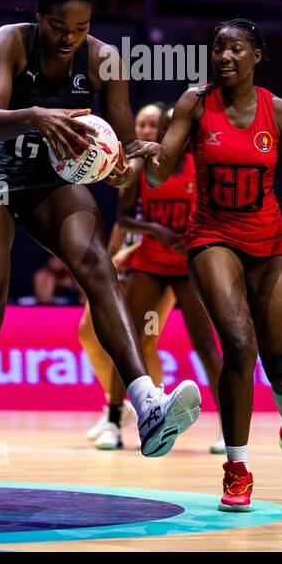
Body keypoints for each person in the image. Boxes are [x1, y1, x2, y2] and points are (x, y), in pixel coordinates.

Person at [0, 0, 202, 516]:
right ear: (40, 15)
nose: (69, 37)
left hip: (51, 179)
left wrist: (130, 162)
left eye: (80, 28)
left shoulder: (105, 59)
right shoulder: (8, 41)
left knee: (98, 268)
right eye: (60, 26)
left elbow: (126, 147)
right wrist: (37, 114)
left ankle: (146, 404)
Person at [150, 19, 282, 511]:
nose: (224, 57)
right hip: (212, 236)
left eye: (235, 49)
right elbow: (163, 166)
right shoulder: (193, 102)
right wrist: (145, 155)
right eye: (218, 49)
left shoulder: (279, 110)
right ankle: (237, 467)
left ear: (256, 56)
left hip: (270, 240)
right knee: (240, 347)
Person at [96, 102, 227, 452]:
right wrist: (155, 230)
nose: (177, 136)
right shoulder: (144, 168)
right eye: (171, 130)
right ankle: (112, 420)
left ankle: (228, 426)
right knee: (130, 340)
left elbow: (217, 214)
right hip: (150, 263)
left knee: (205, 344)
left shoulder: (201, 169)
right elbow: (124, 218)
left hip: (188, 266)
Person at [77, 101, 173, 446]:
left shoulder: (167, 169)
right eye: (141, 124)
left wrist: (138, 250)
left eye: (151, 125)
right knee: (88, 332)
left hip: (159, 267)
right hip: (125, 266)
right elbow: (122, 223)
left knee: (146, 340)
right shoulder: (129, 168)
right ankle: (117, 403)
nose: (145, 131)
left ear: (164, 130)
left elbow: (171, 222)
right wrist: (112, 257)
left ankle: (157, 412)